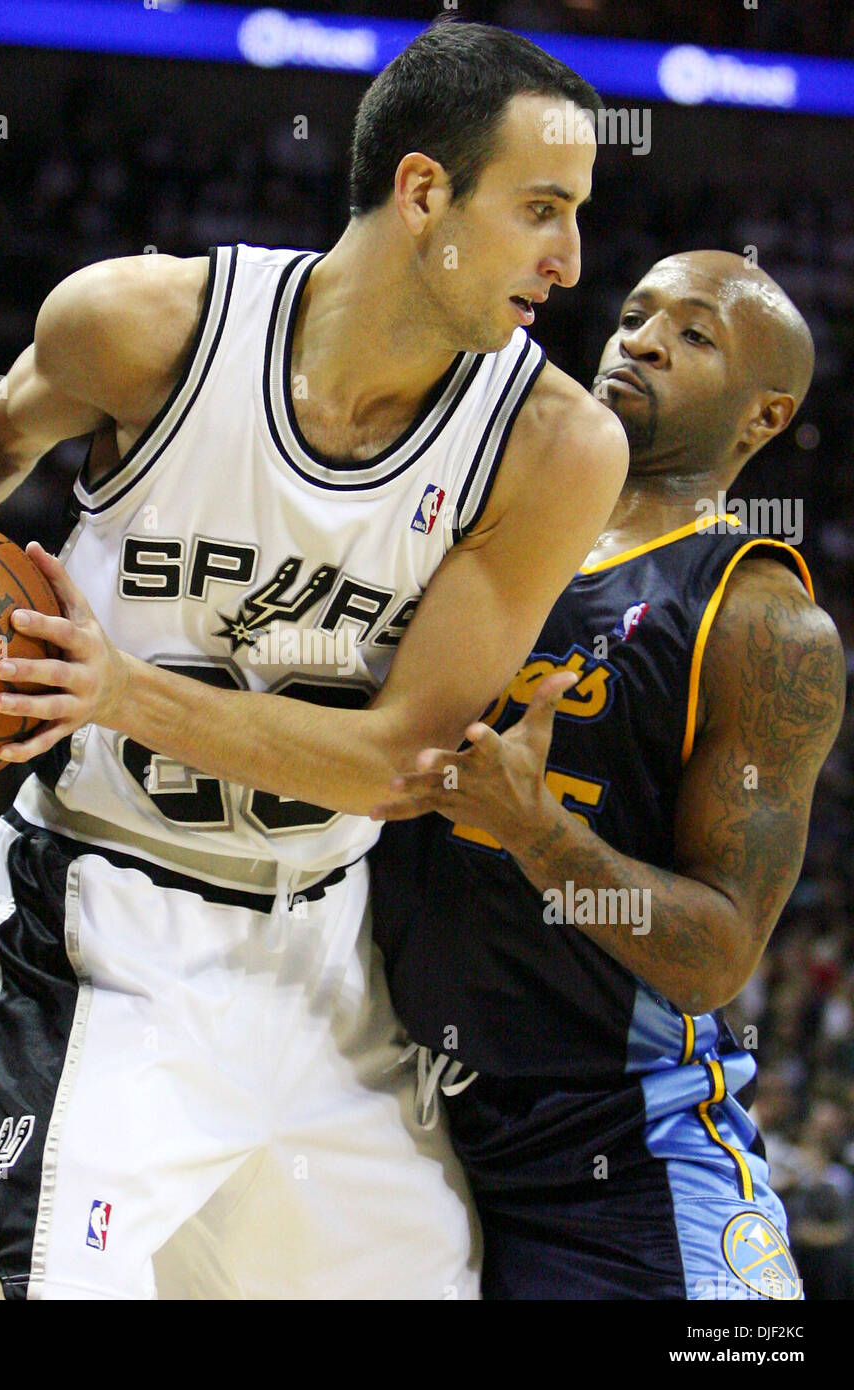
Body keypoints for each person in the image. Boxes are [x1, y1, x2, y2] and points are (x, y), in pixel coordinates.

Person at [0, 22, 627, 1299]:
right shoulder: (149, 322)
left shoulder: (555, 446)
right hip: (107, 922)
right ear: (425, 193)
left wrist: (120, 690)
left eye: (579, 215)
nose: (569, 260)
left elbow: (400, 762)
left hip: (328, 960)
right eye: (543, 210)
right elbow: (1, 429)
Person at [367, 251, 846, 1299]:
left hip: (618, 1152)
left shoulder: (761, 620)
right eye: (635, 314)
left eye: (694, 334)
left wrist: (535, 828)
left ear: (763, 418)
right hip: (393, 1113)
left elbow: (717, 951)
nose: (641, 339)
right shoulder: (480, 525)